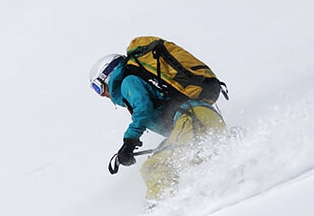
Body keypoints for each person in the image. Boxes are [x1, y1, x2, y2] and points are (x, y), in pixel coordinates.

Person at [89, 52, 227, 200]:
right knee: (187, 160)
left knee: (154, 167)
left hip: (192, 118)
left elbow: (142, 110)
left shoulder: (128, 82)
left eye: (98, 87)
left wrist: (129, 142)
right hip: (201, 118)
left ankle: (161, 209)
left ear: (109, 74)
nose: (102, 95)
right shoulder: (135, 81)